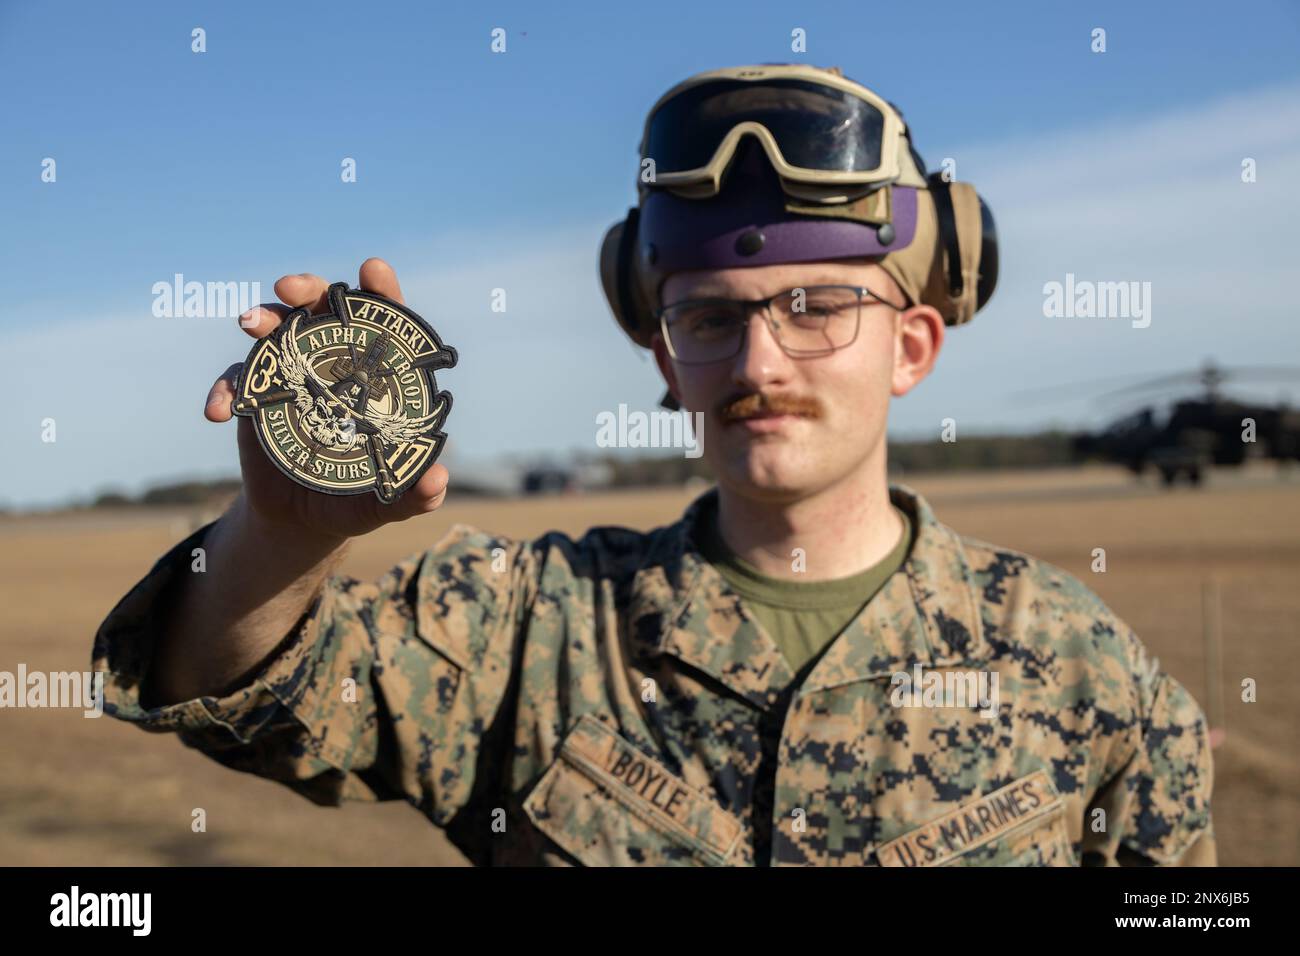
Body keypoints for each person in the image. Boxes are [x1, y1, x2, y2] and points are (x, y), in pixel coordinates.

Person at [91, 64, 1214, 866]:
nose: (757, 360)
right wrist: (285, 533)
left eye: (817, 306)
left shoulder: (1080, 670)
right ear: (663, 358)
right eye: (709, 319)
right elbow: (222, 684)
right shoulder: (530, 628)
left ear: (912, 345)